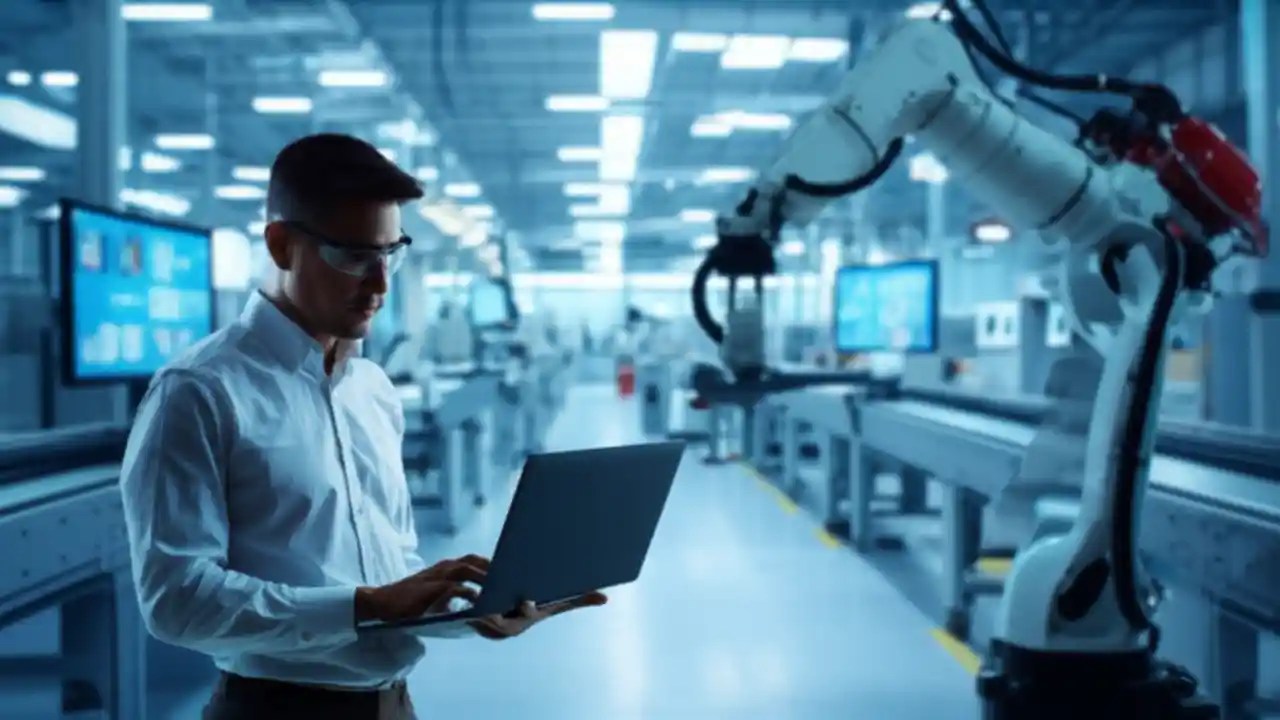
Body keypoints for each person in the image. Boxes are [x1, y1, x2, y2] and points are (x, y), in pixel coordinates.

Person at [119, 133, 606, 720]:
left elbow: (390, 581)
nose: (379, 283)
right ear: (281, 245)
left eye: (391, 253)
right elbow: (175, 601)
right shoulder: (200, 391)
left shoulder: (372, 390)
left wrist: (471, 612)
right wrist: (364, 605)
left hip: (394, 706)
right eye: (354, 257)